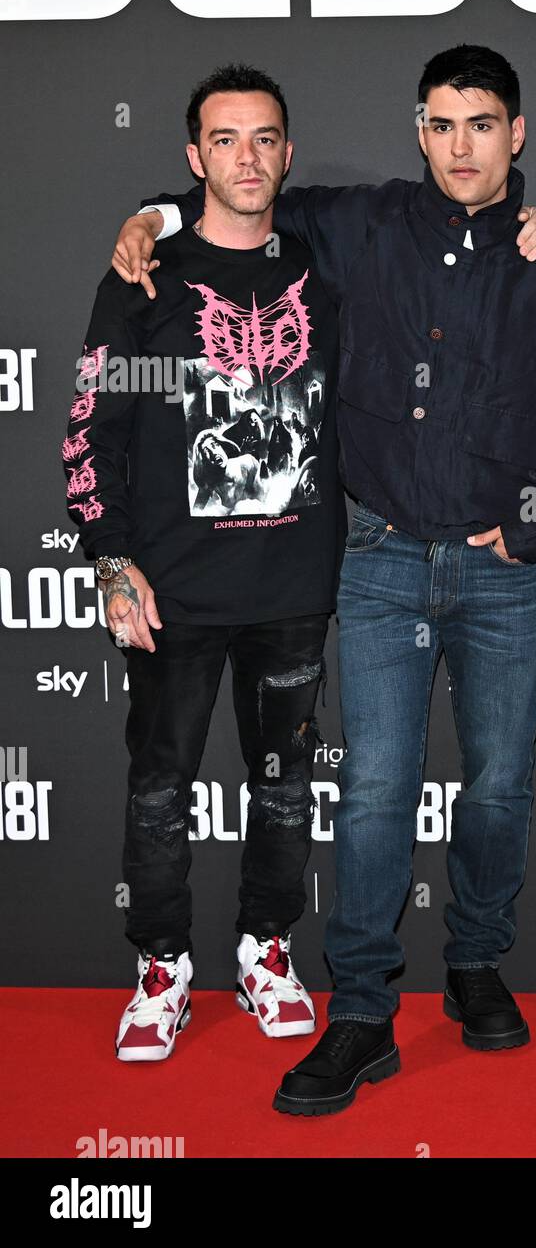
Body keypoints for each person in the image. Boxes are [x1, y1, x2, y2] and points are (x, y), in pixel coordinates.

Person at [112, 45, 536, 1115]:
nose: (459, 144)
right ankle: (363, 1012)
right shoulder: (357, 223)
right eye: (439, 124)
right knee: (372, 788)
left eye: (480, 123)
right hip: (375, 558)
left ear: (515, 134)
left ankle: (474, 962)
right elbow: (237, 193)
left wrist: (532, 534)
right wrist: (150, 213)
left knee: (502, 785)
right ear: (416, 132)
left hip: (503, 575)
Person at [65, 64, 338, 1061]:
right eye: (224, 140)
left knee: (281, 784)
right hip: (172, 590)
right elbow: (90, 428)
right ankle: (163, 964)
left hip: (293, 587)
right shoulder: (143, 278)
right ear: (194, 159)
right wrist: (109, 562)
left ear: (287, 151)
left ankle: (266, 946)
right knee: (158, 785)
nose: (247, 157)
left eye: (265, 137)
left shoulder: (321, 268)